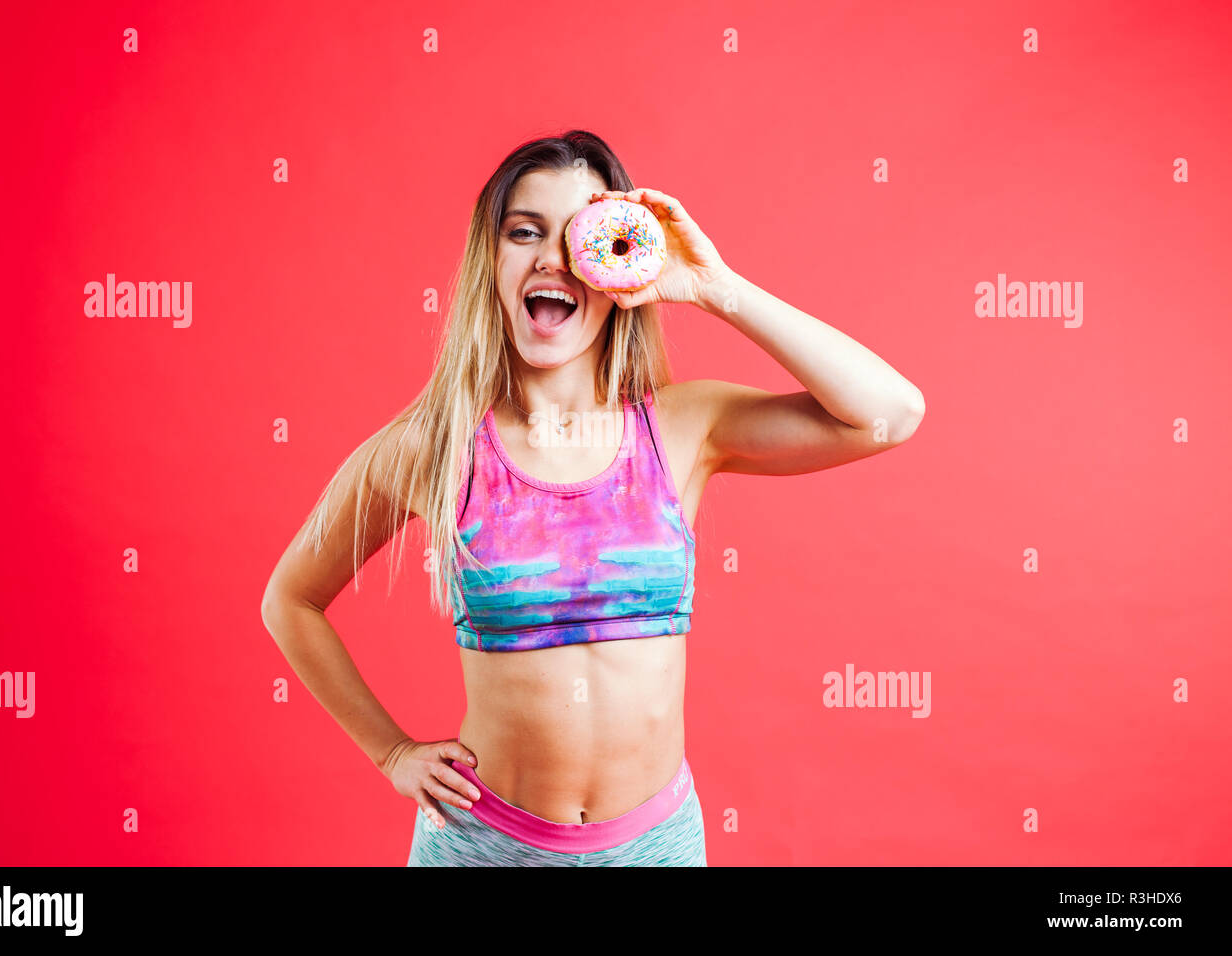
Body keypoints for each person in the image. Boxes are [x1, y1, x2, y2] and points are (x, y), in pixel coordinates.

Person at [260, 129, 926, 866]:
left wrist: (714, 286)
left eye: (581, 237)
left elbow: (890, 414)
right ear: (492, 258)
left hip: (656, 847)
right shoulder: (432, 448)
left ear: (619, 266)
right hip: (484, 845)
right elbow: (290, 600)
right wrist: (391, 754)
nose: (550, 257)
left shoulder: (681, 428)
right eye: (524, 232)